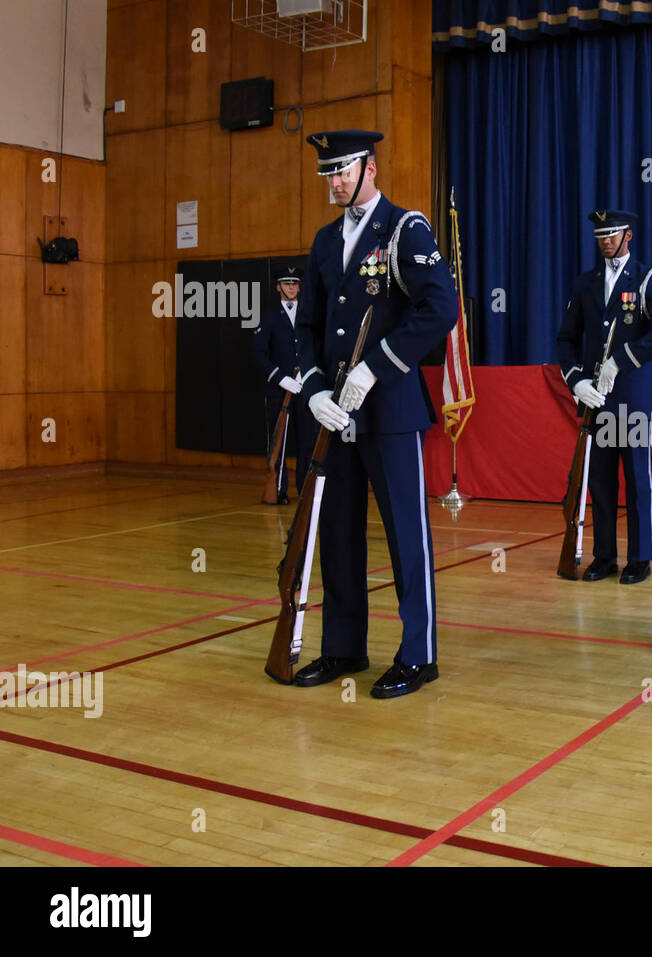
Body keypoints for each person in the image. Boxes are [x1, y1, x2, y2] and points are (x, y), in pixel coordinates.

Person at [293, 129, 460, 699]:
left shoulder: (404, 229)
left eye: (342, 171)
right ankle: (343, 647)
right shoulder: (322, 241)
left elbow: (442, 306)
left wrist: (376, 367)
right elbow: (309, 328)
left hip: (388, 409)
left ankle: (419, 654)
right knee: (338, 534)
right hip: (335, 415)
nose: (335, 182)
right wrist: (314, 388)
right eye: (328, 174)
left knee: (405, 536)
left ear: (369, 166)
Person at [556, 209, 652, 584]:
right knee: (599, 479)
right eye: (601, 235)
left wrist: (620, 360)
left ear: (628, 235)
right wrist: (575, 381)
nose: (606, 241)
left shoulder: (648, 279)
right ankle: (604, 554)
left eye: (613, 234)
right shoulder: (586, 283)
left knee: (636, 478)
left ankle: (640, 555)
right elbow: (566, 338)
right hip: (595, 397)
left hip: (631, 393)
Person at [252, 263, 316, 502]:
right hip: (280, 390)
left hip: (305, 387)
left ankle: (305, 490)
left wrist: (307, 373)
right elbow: (259, 353)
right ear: (278, 287)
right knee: (279, 442)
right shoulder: (269, 317)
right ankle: (278, 491)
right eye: (287, 284)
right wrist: (281, 378)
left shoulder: (308, 314)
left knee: (307, 442)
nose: (291, 288)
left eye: (295, 284)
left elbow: (315, 347)